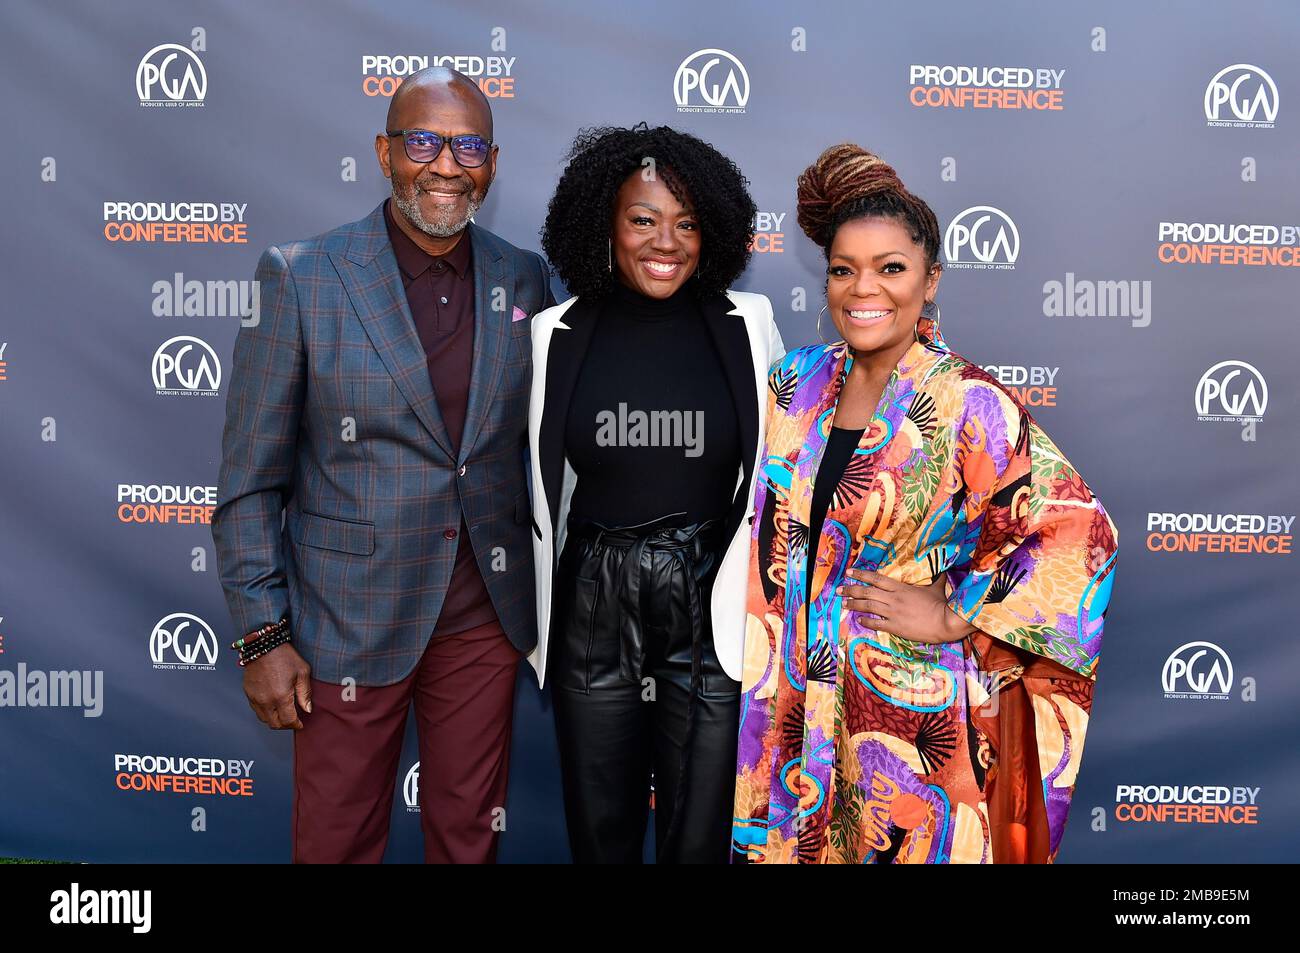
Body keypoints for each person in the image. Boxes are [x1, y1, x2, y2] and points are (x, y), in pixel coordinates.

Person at [732, 143, 1118, 864]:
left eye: (891, 268)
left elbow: (1078, 530)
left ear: (931, 279)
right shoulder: (794, 381)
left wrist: (953, 612)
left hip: (909, 721)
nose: (862, 289)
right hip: (790, 711)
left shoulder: (969, 403)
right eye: (843, 269)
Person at [211, 66, 554, 863]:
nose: (444, 164)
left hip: (481, 617)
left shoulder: (524, 276)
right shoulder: (301, 276)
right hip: (345, 622)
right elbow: (250, 479)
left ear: (493, 164)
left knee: (470, 837)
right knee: (337, 841)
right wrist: (263, 638)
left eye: (468, 145)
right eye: (423, 141)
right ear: (384, 151)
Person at [527, 124, 784, 863]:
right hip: (592, 598)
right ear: (604, 223)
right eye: (643, 219)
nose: (665, 241)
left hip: (710, 596)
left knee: (697, 836)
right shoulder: (555, 333)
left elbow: (777, 472)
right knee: (600, 832)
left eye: (687, 223)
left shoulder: (748, 325)